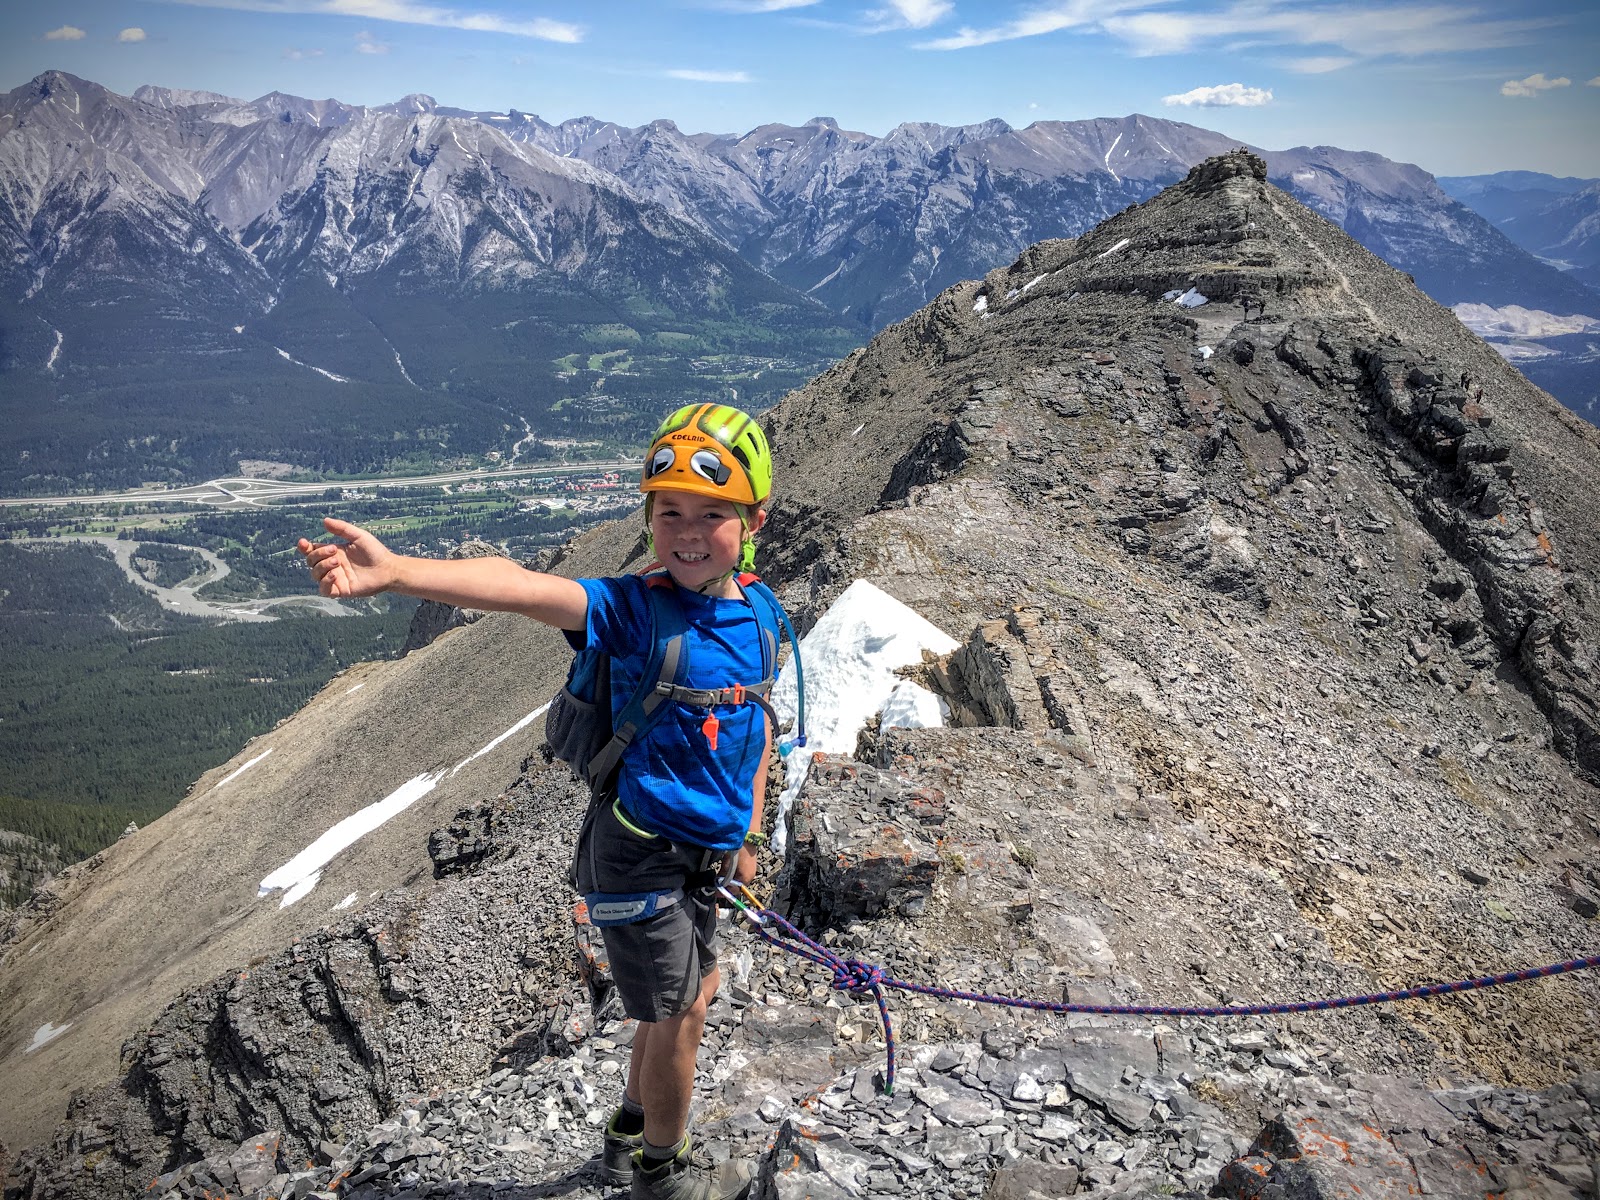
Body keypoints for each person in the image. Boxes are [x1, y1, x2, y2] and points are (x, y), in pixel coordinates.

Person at [298, 403, 778, 1200]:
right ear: (649, 518)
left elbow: (756, 731)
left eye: (711, 514)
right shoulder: (634, 611)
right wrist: (398, 572)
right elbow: (522, 588)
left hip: (701, 857)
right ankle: (661, 1172)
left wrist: (748, 833)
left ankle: (629, 1131)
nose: (688, 533)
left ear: (754, 520)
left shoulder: (760, 614)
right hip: (637, 856)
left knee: (682, 1002)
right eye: (669, 512)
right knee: (683, 1014)